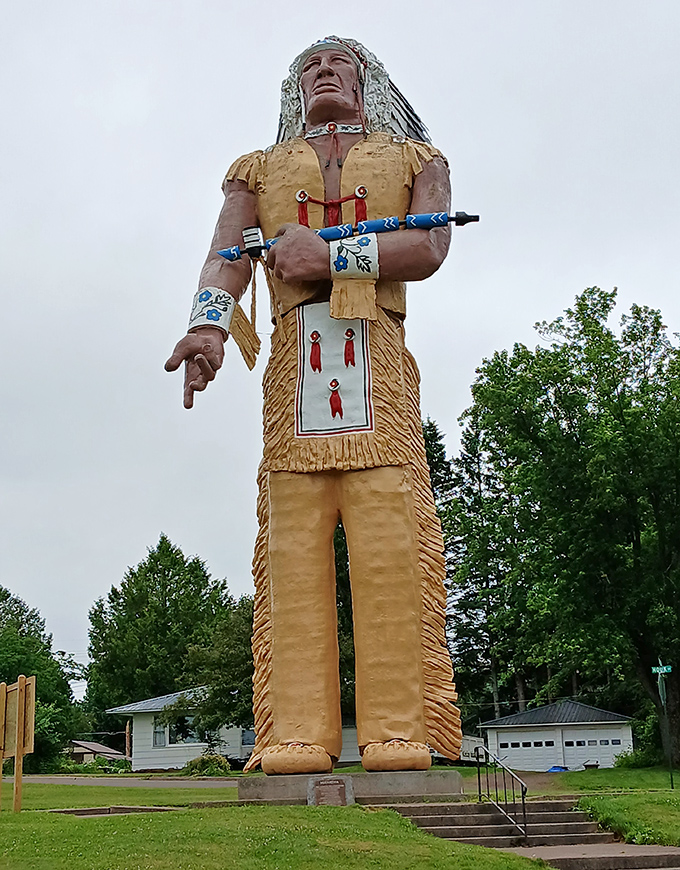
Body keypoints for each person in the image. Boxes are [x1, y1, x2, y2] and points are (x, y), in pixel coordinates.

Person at [166, 36, 462, 775]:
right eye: (309, 67)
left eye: (338, 63)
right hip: (294, 387)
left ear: (369, 82)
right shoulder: (257, 171)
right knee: (293, 560)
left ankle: (400, 728)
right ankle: (295, 730)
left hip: (381, 381)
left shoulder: (418, 161)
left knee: (390, 551)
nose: (322, 71)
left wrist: (329, 258)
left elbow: (428, 250)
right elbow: (228, 255)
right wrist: (206, 326)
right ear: (293, 91)